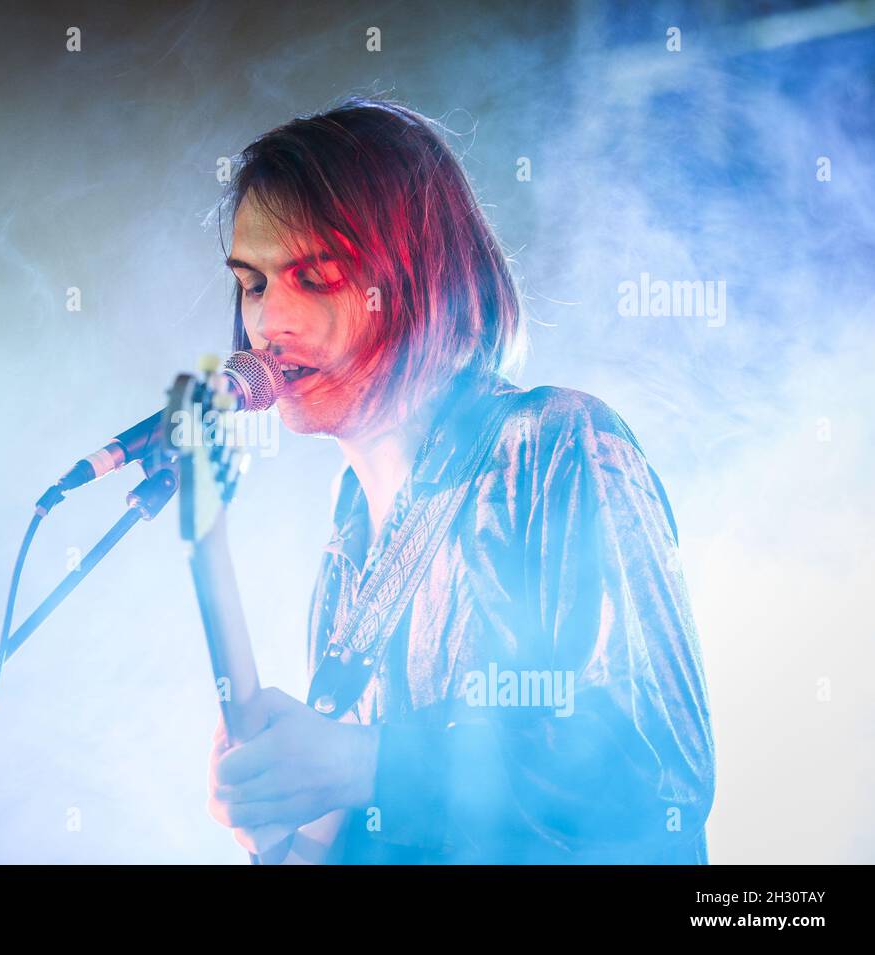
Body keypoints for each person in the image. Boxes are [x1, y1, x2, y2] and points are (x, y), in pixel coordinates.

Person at [205, 95, 716, 864]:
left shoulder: (556, 445)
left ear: (415, 277)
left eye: (316, 276)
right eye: (254, 284)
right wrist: (291, 827)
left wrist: (362, 762)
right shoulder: (349, 543)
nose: (271, 322)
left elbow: (658, 767)